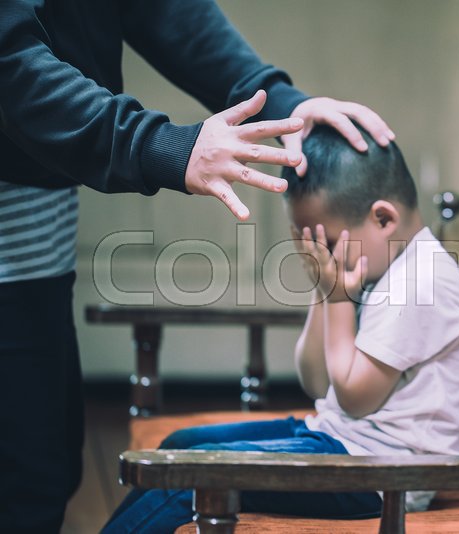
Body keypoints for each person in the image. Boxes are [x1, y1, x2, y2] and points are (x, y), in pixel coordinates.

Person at [0, 1, 394, 531]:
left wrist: (283, 103)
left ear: (384, 218)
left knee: (40, 466)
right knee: (45, 467)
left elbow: (162, 10)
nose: (312, 254)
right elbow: (11, 64)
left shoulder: (429, 283)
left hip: (375, 470)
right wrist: (164, 146)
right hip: (341, 439)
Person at [100, 125, 459, 532]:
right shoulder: (386, 263)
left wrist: (337, 299)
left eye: (328, 243)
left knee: (192, 479)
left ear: (383, 218)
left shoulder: (420, 283)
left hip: (384, 475)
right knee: (180, 449)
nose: (320, 259)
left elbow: (355, 397)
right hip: (341, 442)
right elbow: (318, 383)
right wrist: (324, 294)